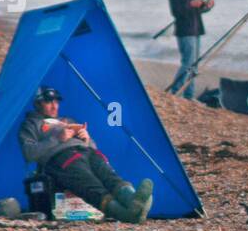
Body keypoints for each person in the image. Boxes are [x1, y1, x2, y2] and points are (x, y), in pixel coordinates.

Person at [18, 86, 153, 223]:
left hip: (87, 152)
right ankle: (127, 213)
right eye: (49, 102)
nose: (54, 106)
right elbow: (29, 153)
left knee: (109, 175)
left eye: (56, 102)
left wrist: (87, 139)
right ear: (37, 104)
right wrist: (56, 139)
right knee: (91, 184)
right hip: (61, 159)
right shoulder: (31, 124)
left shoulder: (68, 120)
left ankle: (132, 200)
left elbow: (93, 146)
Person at [165, 0, 213, 100]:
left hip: (197, 29)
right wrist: (190, 5)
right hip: (185, 31)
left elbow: (200, 9)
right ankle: (174, 92)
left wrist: (207, 6)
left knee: (194, 66)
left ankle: (188, 95)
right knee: (188, 63)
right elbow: (176, 12)